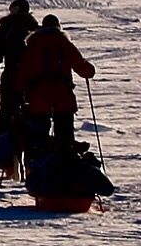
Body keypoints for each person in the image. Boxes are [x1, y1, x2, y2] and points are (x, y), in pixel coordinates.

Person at [8, 14, 96, 147]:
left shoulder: (33, 46)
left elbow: (23, 72)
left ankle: (40, 162)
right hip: (63, 97)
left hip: (39, 98)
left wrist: (17, 93)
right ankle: (64, 160)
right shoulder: (65, 44)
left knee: (39, 137)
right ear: (58, 27)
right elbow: (83, 69)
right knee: (65, 138)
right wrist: (89, 70)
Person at [0, 0, 39, 115]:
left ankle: (9, 129)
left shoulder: (6, 28)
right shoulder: (34, 28)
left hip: (12, 73)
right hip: (34, 76)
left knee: (8, 108)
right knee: (33, 108)